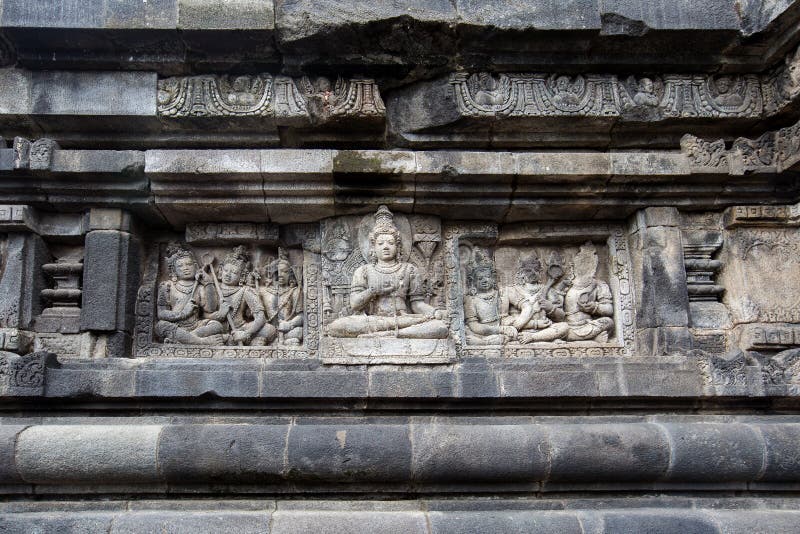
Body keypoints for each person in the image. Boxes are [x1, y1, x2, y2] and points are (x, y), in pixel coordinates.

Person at [327, 206, 448, 339]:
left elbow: (417, 304)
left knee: (440, 327)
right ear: (373, 247)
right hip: (372, 320)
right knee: (336, 327)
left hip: (403, 320)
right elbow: (354, 304)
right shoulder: (364, 271)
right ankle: (391, 332)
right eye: (380, 243)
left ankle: (392, 334)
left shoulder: (409, 269)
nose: (386, 246)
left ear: (398, 246)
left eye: (390, 243)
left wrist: (435, 312)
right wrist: (373, 291)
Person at [155, 244, 225, 345]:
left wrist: (209, 283)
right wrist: (183, 314)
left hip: (195, 326)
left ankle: (184, 339)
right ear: (173, 270)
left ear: (195, 266)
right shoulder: (167, 286)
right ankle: (202, 341)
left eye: (189, 264)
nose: (185, 268)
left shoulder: (199, 287)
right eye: (180, 265)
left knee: (217, 325)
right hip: (175, 325)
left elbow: (210, 309)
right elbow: (161, 313)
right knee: (160, 326)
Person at [211, 246, 276, 346]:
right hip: (216, 327)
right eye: (226, 270)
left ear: (242, 276)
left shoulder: (245, 291)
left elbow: (260, 317)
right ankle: (227, 339)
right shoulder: (213, 288)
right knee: (210, 327)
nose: (228, 274)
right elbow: (203, 314)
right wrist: (218, 315)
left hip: (240, 328)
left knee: (270, 329)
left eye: (234, 272)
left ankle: (238, 339)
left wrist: (246, 333)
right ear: (220, 270)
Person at [500, 254, 569, 343]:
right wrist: (534, 324)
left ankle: (533, 337)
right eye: (528, 270)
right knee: (506, 332)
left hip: (544, 330)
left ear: (540, 272)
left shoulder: (549, 290)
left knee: (564, 327)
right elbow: (503, 319)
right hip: (519, 329)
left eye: (536, 270)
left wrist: (551, 308)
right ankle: (534, 337)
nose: (533, 273)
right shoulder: (511, 290)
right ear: (521, 273)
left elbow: (561, 317)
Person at [564, 242, 615, 342]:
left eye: (588, 262)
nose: (584, 265)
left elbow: (609, 309)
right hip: (568, 326)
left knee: (609, 322)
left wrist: (594, 307)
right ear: (574, 265)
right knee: (561, 329)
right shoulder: (567, 283)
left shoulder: (599, 284)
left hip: (588, 325)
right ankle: (592, 340)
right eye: (581, 261)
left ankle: (581, 339)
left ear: (594, 265)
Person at [463, 251, 517, 345]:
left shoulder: (501, 293)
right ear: (473, 281)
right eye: (480, 278)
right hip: (483, 332)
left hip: (503, 329)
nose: (484, 280)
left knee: (512, 333)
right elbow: (473, 325)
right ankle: (485, 342)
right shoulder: (471, 300)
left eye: (488, 277)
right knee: (467, 334)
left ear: (493, 278)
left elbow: (525, 306)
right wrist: (499, 329)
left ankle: (485, 343)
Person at [260, 249, 304, 345]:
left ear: (290, 274)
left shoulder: (295, 291)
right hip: (268, 329)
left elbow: (302, 316)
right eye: (278, 271)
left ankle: (282, 339)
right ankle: (279, 340)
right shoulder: (264, 291)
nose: (280, 275)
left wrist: (290, 324)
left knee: (300, 332)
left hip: (288, 329)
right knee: (264, 330)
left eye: (284, 272)